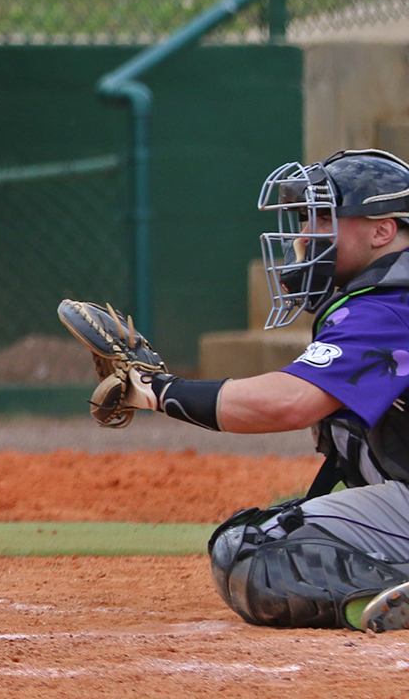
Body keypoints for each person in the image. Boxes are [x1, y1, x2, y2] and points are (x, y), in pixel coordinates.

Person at [58, 149, 409, 633]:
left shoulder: (388, 305)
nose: (307, 234)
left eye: (325, 216)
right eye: (306, 218)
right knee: (301, 520)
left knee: (252, 553)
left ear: (381, 230)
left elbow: (288, 401)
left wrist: (157, 389)